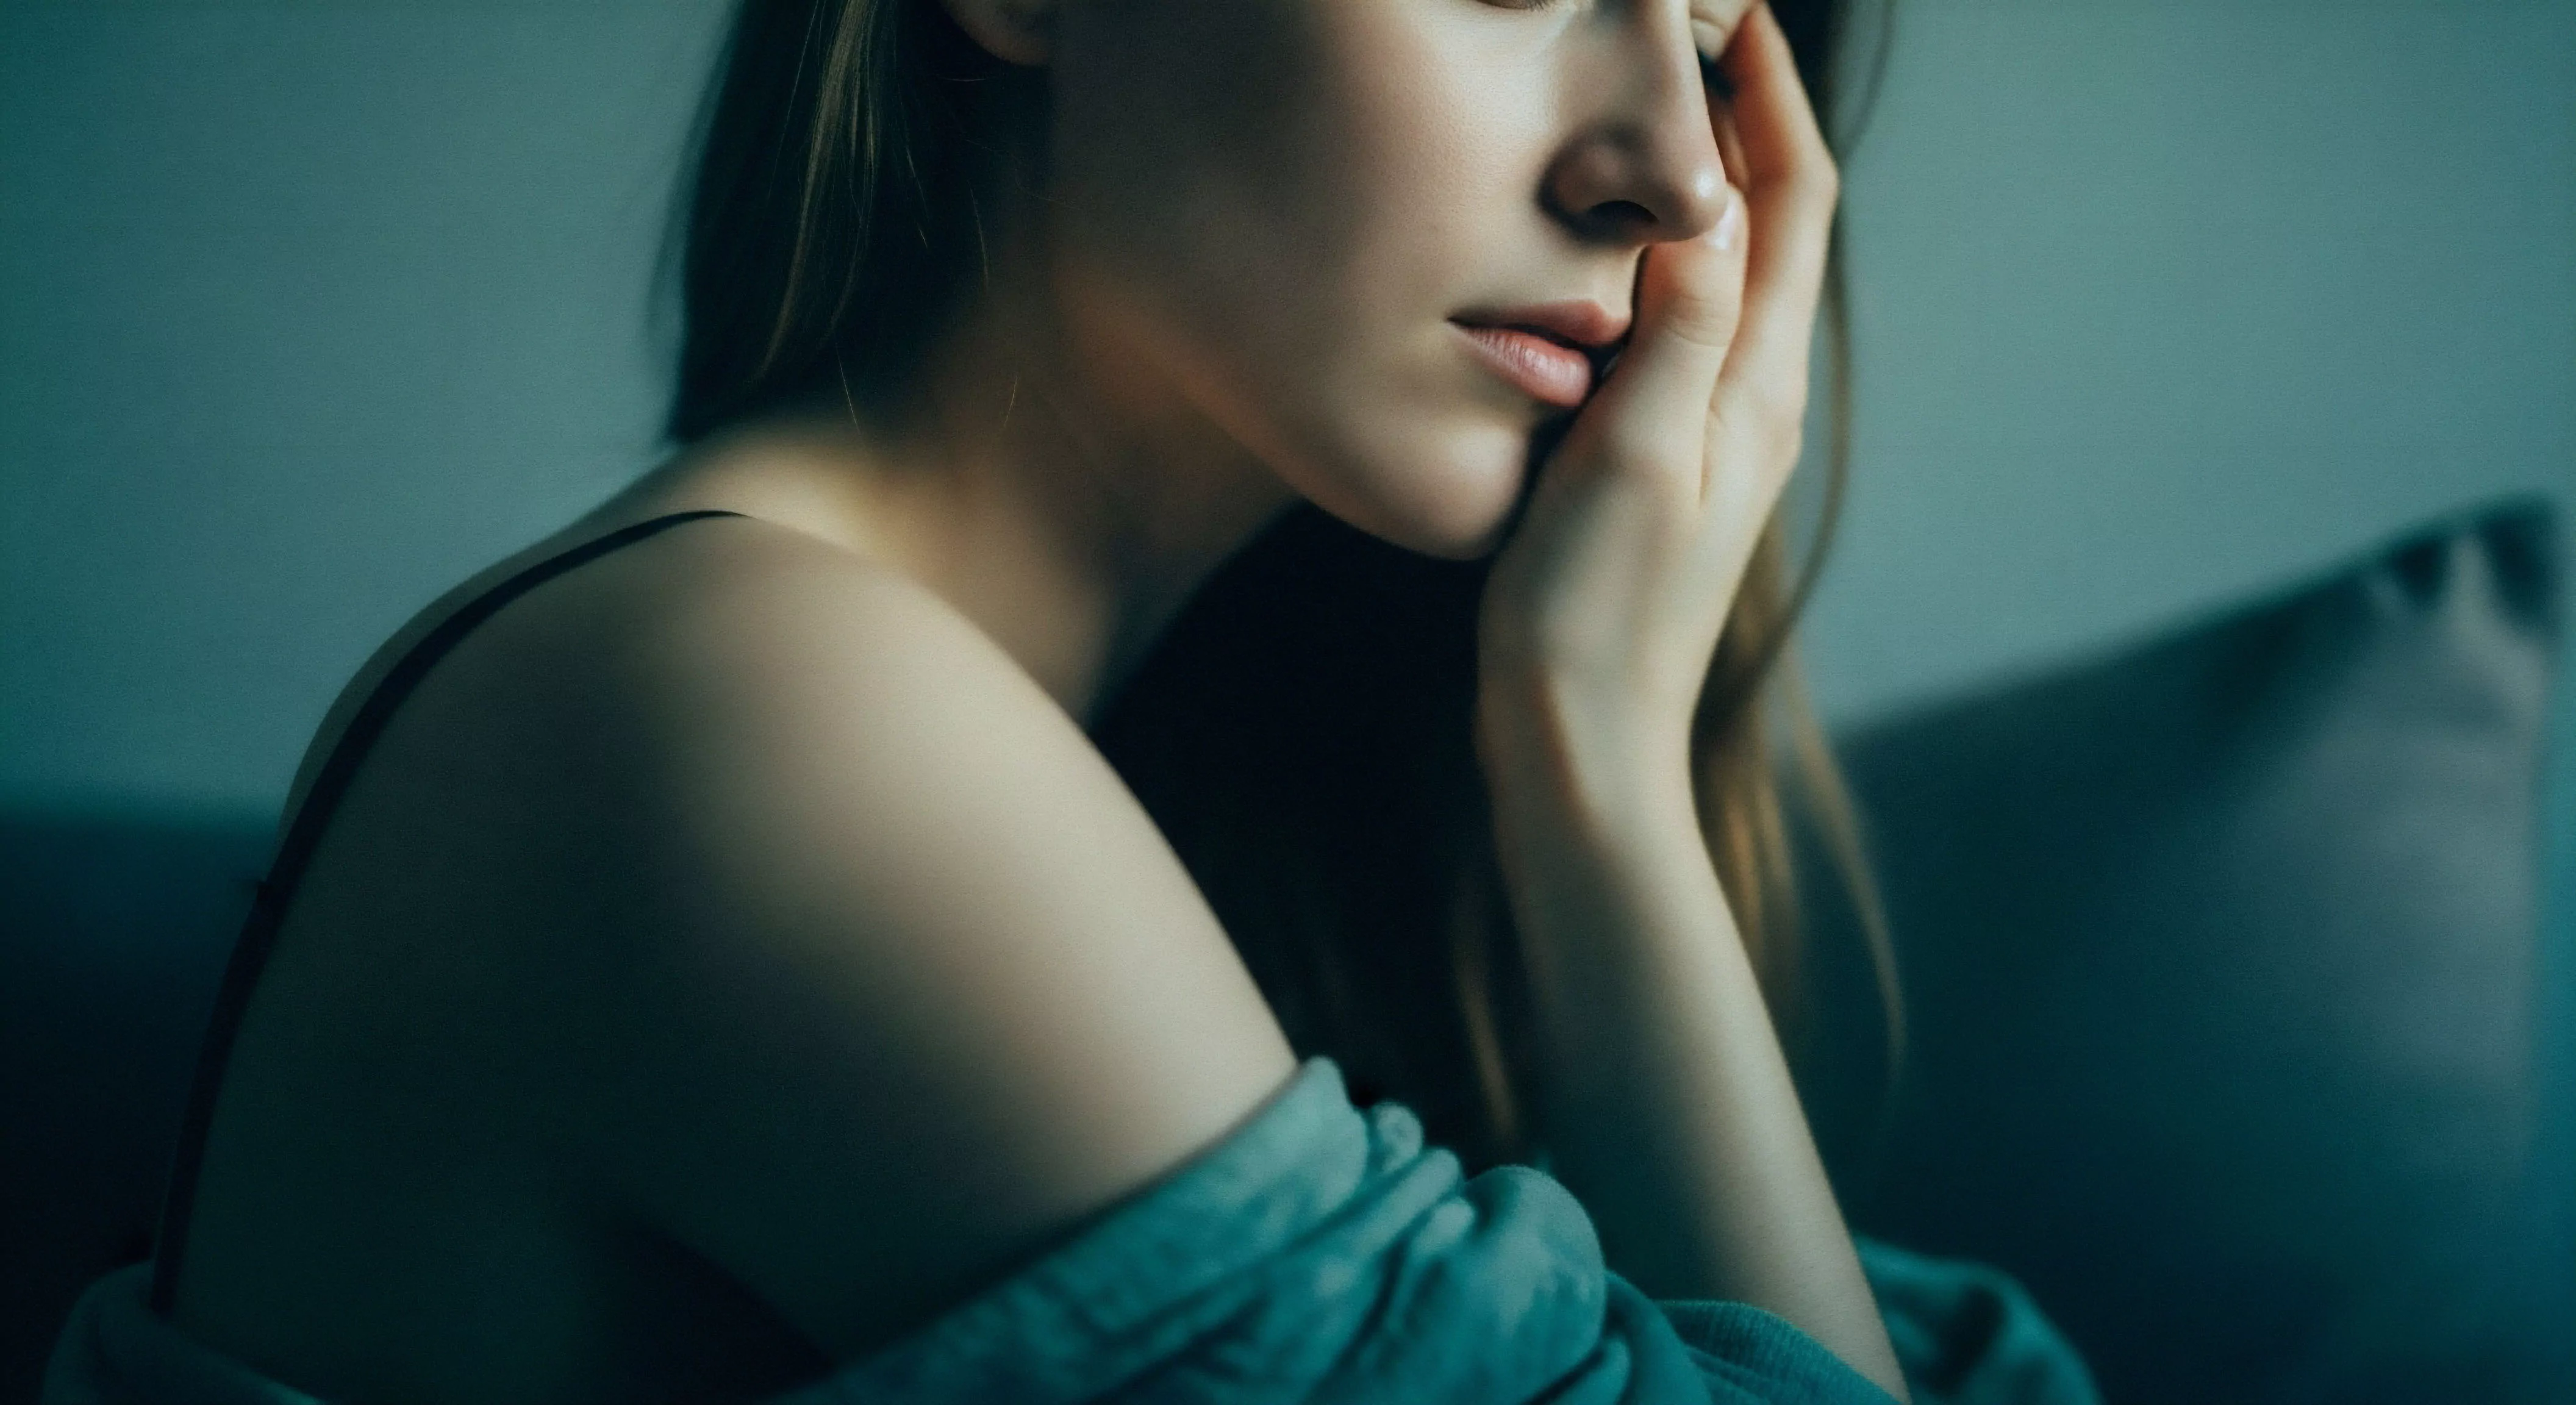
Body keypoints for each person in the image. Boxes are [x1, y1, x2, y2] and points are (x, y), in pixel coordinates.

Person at [46, 1, 2100, 1401]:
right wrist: (1601, 756)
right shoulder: (755, 707)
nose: (1665, 167)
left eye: (1716, 22)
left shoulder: (1126, 778)